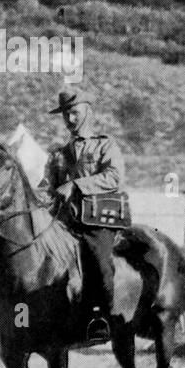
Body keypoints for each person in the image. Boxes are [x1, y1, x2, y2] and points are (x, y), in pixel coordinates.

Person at [41, 86, 126, 343]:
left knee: (99, 264)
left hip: (96, 220)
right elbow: (48, 187)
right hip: (64, 222)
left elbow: (114, 177)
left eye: (75, 113)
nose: (70, 119)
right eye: (66, 115)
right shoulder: (58, 153)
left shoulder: (105, 145)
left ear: (88, 111)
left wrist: (77, 185)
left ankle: (100, 318)